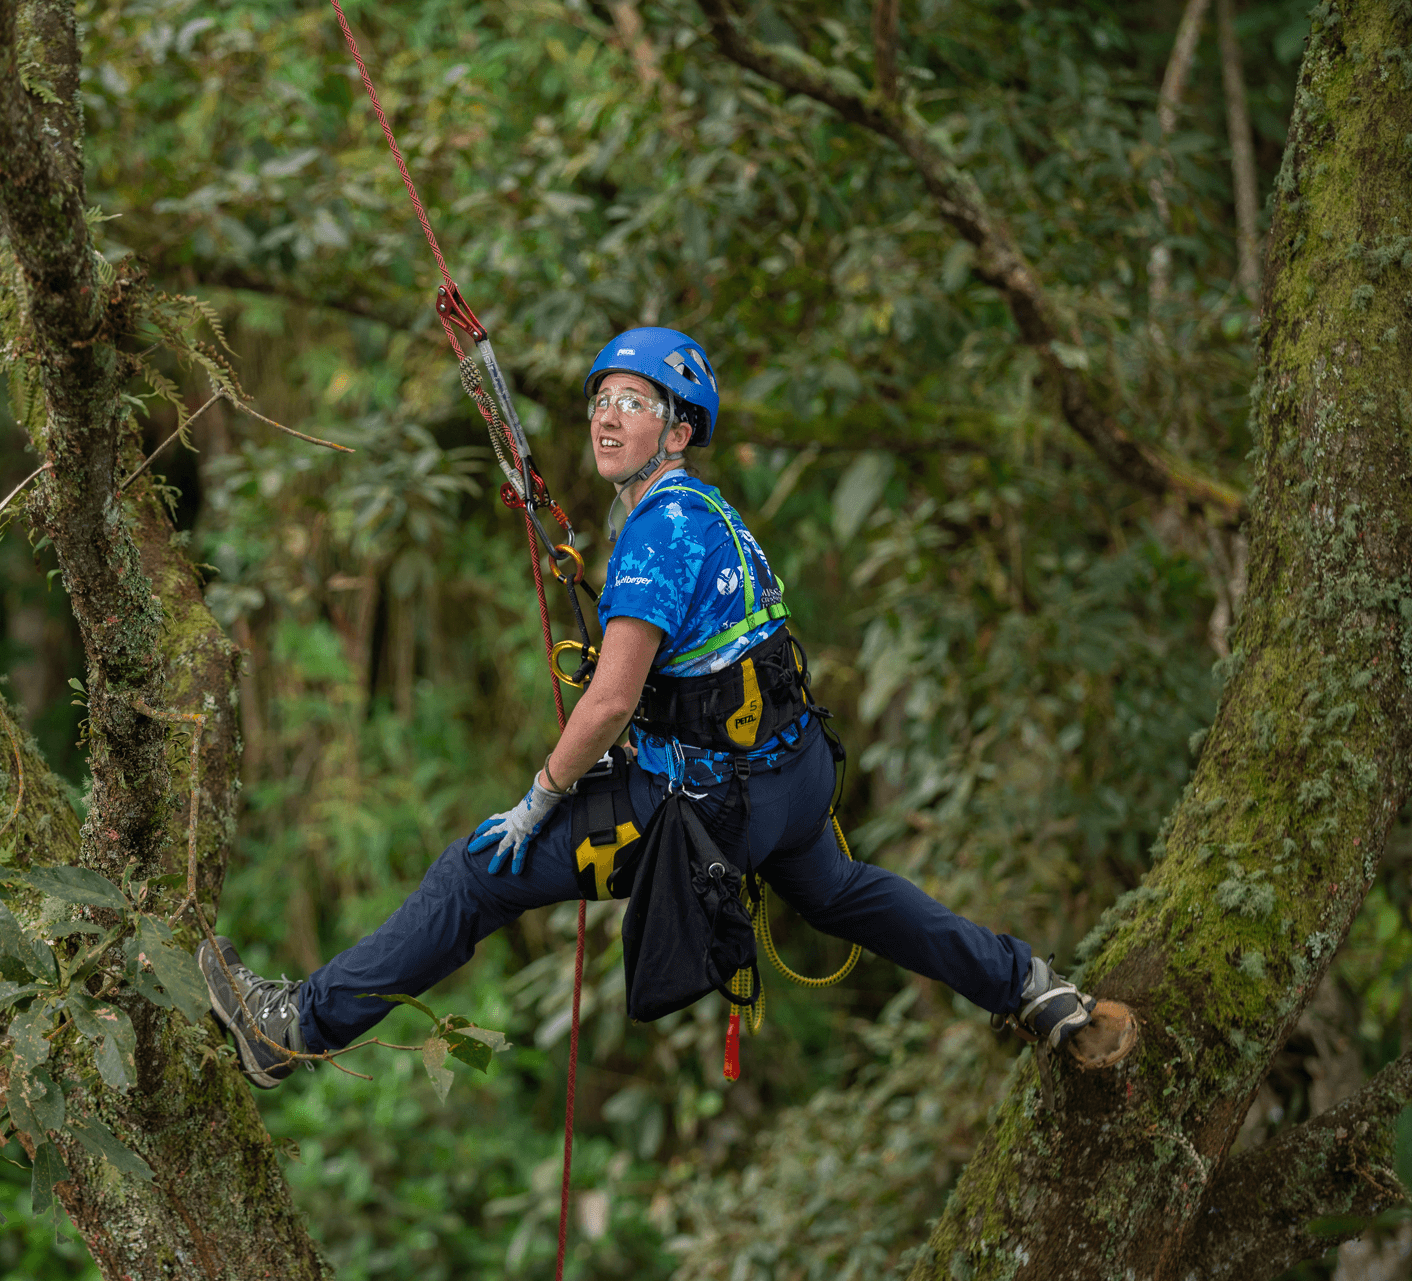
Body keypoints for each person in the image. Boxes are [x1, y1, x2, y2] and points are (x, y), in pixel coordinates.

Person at [197, 326, 1136, 1088]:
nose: (608, 414)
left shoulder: (656, 538)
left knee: (478, 872)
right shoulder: (711, 515)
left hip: (707, 811)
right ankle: (1029, 986)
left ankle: (293, 1029)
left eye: (634, 403)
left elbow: (609, 701)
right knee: (846, 893)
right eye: (601, 399)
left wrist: (540, 795)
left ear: (677, 429)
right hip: (793, 783)